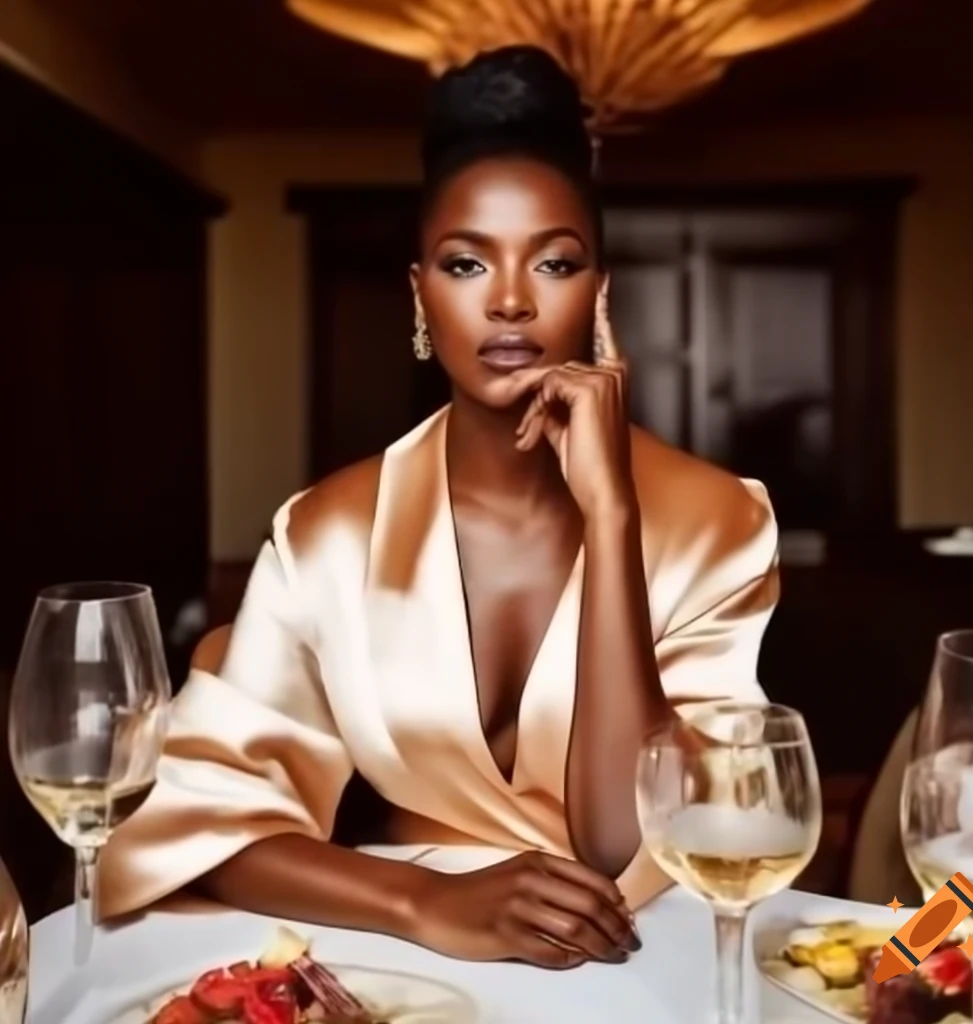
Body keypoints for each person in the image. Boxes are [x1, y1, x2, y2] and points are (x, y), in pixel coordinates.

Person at [99, 45, 780, 971]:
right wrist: (422, 901)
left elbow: (627, 842)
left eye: (555, 262)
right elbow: (201, 821)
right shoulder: (325, 535)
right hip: (412, 967)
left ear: (600, 295)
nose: (508, 300)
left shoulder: (716, 523)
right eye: (467, 265)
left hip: (648, 962)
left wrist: (613, 517)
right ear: (420, 295)